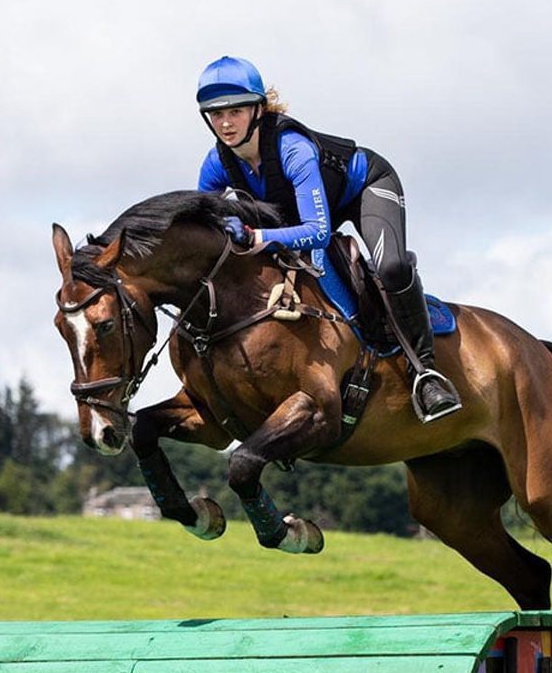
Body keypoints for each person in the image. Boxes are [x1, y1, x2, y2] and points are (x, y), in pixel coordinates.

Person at [195, 55, 461, 422]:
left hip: (365, 188)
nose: (225, 123)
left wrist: (257, 235)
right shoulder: (215, 163)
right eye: (215, 114)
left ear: (258, 109)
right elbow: (205, 225)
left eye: (236, 111)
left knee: (392, 267)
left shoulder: (293, 148)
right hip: (308, 212)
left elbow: (318, 232)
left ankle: (427, 373)